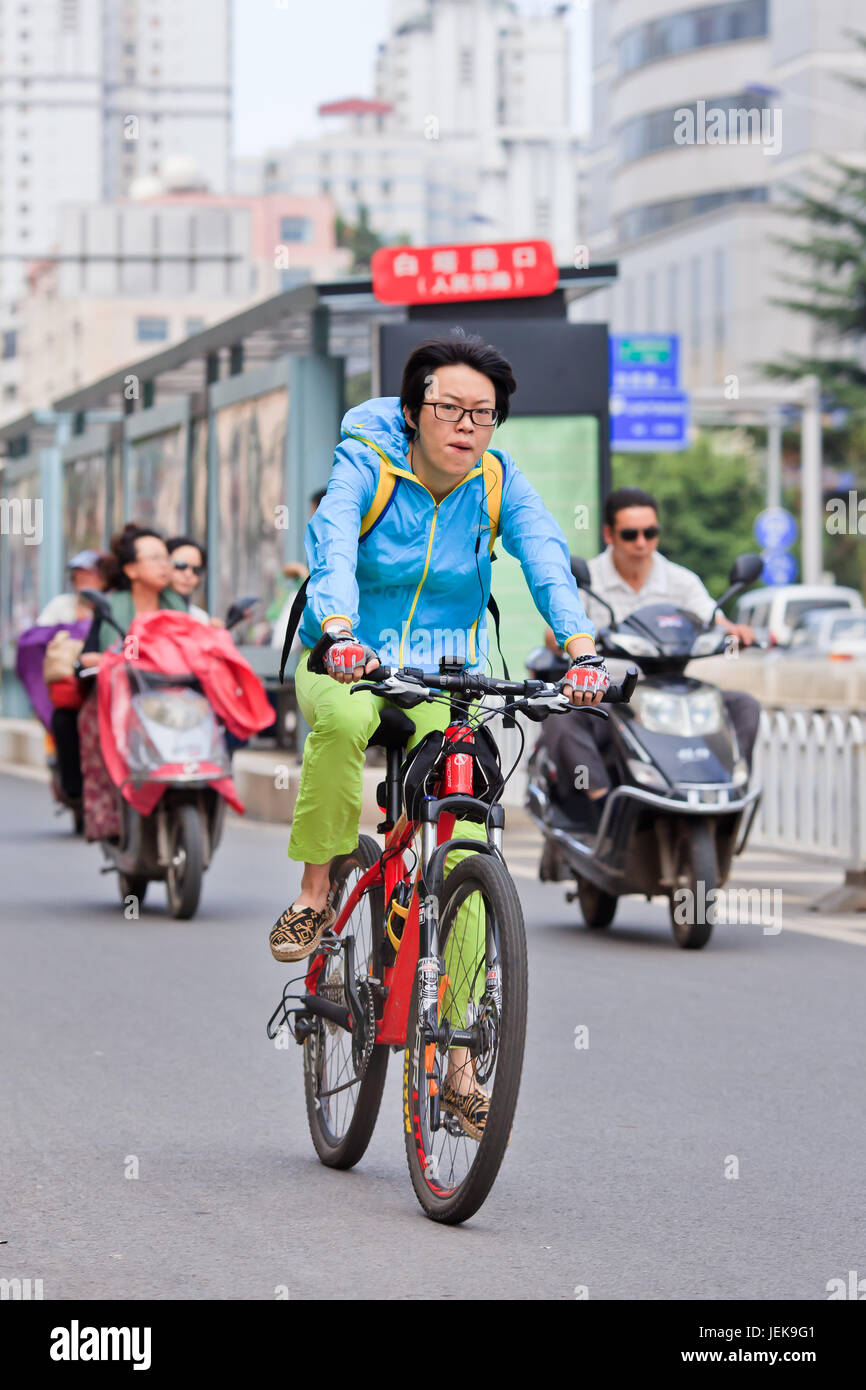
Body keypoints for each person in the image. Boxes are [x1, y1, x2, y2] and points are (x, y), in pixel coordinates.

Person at [267, 332, 608, 1137]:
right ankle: (317, 894)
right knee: (346, 722)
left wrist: (581, 646)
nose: (467, 427)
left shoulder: (497, 481)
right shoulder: (367, 462)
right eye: (451, 409)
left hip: (446, 671)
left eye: (483, 414)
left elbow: (546, 555)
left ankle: (455, 1065)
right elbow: (333, 544)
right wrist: (342, 628)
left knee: (461, 839)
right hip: (348, 654)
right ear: (414, 411)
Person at [538, 487, 761, 829]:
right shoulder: (586, 580)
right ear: (610, 535)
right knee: (561, 714)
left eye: (650, 533)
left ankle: (727, 796)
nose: (642, 542)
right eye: (630, 534)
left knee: (743, 705)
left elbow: (714, 618)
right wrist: (568, 639)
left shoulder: (681, 580)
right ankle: (601, 809)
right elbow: (554, 634)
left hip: (671, 694)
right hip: (608, 695)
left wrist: (737, 632)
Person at [77, 524, 186, 841]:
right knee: (94, 721)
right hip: (120, 698)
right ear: (131, 568)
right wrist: (101, 659)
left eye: (167, 558)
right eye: (154, 558)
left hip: (168, 696)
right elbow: (90, 654)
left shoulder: (178, 605)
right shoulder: (111, 606)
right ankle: (109, 818)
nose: (165, 566)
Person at [37, 550, 107, 626]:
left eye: (89, 572)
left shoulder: (112, 606)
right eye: (77, 573)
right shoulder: (61, 603)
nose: (81, 577)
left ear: (104, 578)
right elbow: (38, 633)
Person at [166, 536, 221, 625]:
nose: (188, 574)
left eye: (196, 570)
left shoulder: (200, 619)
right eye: (181, 566)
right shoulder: (147, 608)